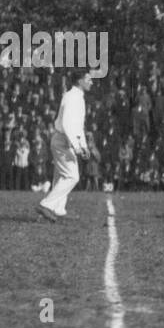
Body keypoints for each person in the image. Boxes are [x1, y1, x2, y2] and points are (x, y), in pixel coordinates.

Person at [37, 69, 94, 223]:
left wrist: (84, 147)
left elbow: (78, 126)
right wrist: (77, 147)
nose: (91, 82)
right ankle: (46, 205)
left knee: (62, 176)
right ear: (80, 81)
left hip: (66, 141)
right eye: (88, 79)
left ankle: (58, 210)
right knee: (72, 176)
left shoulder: (78, 97)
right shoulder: (71, 97)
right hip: (62, 141)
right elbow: (67, 124)